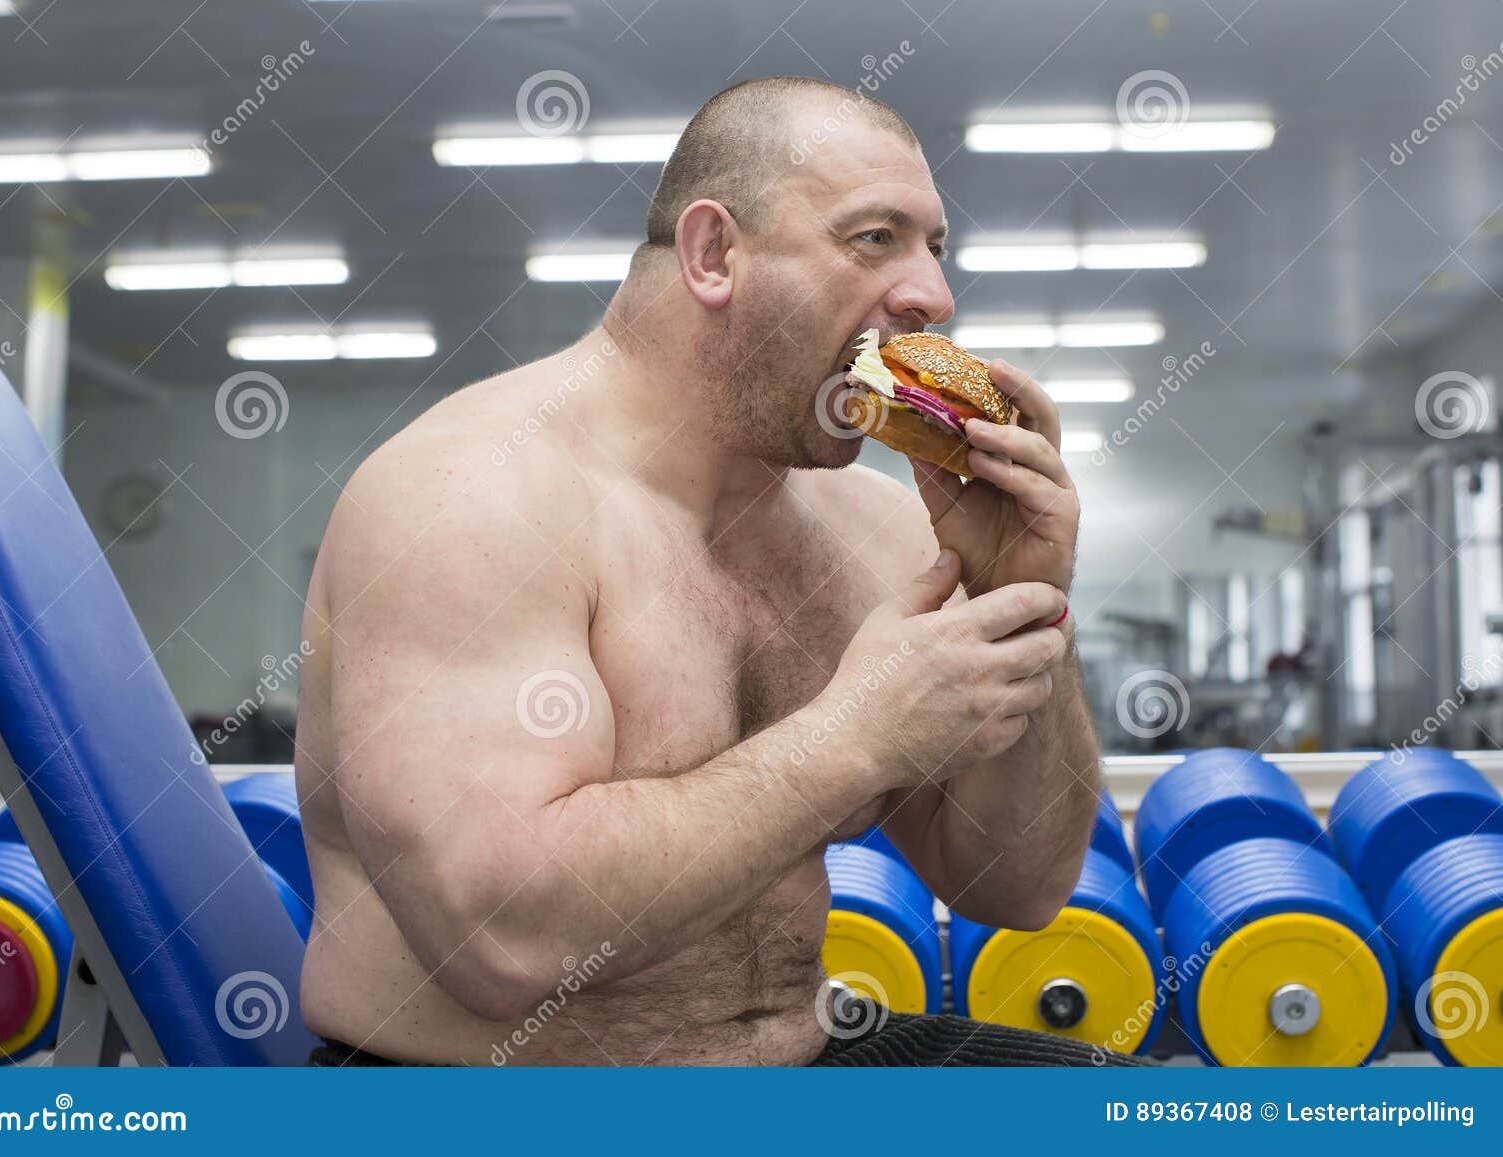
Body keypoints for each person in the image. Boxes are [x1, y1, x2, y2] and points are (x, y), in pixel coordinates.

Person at [294, 75, 1142, 1066]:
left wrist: (1026, 603)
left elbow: (1016, 886)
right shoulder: (470, 496)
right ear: (712, 254)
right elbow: (500, 938)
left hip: (802, 1057)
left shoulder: (875, 530)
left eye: (934, 248)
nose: (933, 297)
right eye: (875, 238)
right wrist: (856, 736)